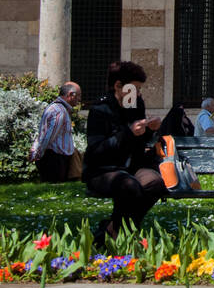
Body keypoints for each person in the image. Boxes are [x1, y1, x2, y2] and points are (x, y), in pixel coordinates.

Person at [83, 61, 166, 247]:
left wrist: (150, 130)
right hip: (103, 170)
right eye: (134, 88)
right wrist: (128, 133)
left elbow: (140, 141)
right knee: (129, 185)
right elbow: (97, 149)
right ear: (118, 86)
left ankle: (112, 229)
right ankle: (119, 235)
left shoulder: (136, 105)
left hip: (131, 166)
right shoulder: (100, 109)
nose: (137, 93)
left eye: (139, 89)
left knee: (155, 183)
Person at [30, 81, 81, 182]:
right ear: (71, 95)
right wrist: (38, 154)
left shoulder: (57, 108)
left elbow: (43, 133)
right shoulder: (59, 111)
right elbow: (48, 136)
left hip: (57, 158)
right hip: (55, 160)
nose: (79, 99)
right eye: (79, 95)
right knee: (54, 190)